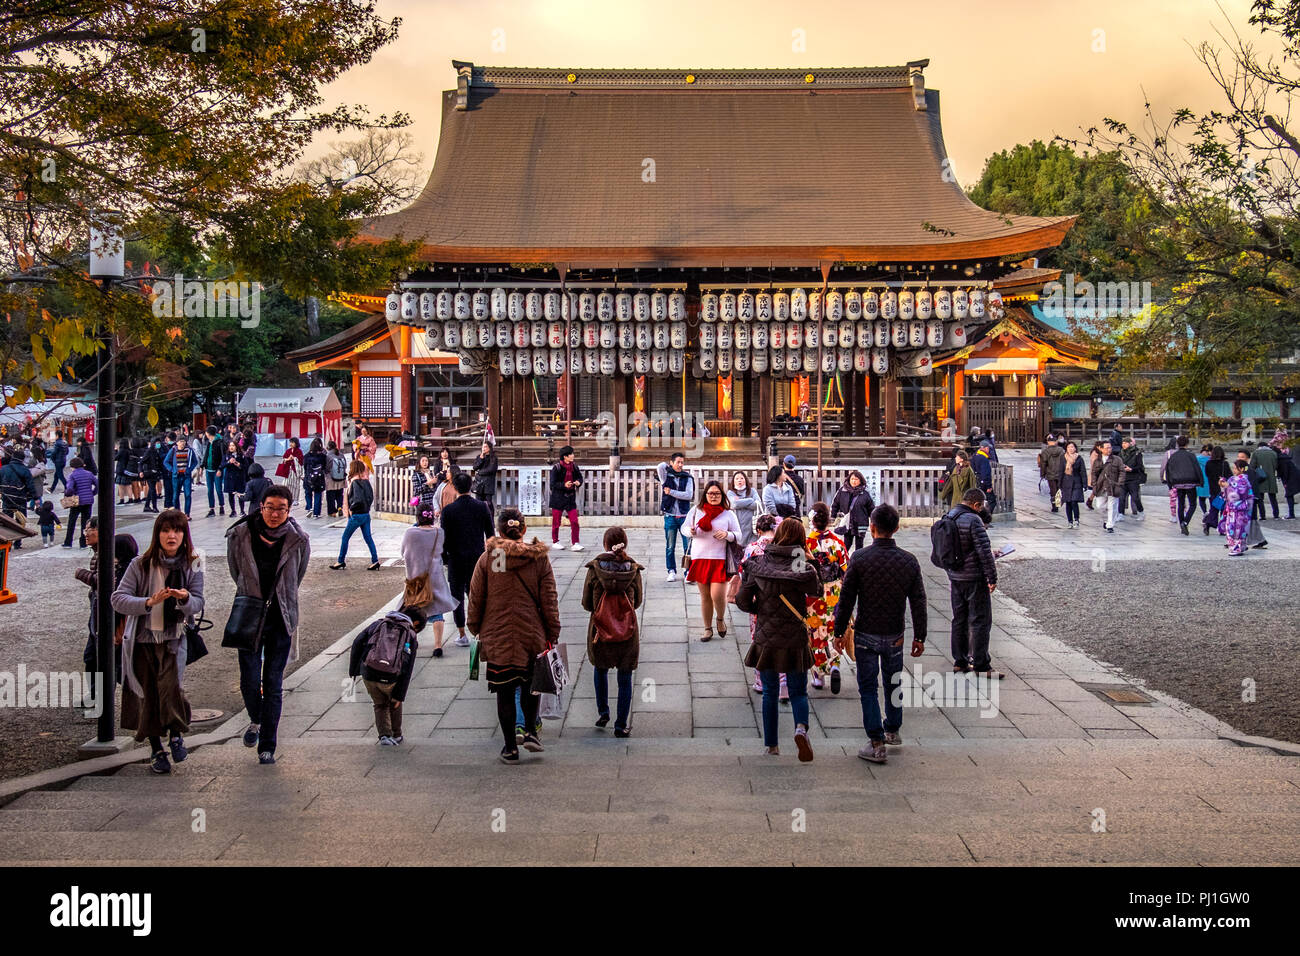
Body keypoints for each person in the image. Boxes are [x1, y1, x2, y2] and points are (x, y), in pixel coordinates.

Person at [111, 509, 204, 775]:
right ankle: (156, 749)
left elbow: (199, 601)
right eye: (165, 530)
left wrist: (185, 598)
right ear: (158, 534)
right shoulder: (140, 564)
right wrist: (149, 602)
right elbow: (118, 598)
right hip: (142, 639)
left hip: (174, 637)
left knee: (171, 687)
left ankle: (175, 734)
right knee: (148, 694)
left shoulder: (192, 564)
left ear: (184, 535)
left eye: (176, 530)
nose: (171, 535)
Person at [833, 503, 927, 764]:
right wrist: (920, 636)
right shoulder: (909, 561)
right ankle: (893, 729)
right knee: (893, 681)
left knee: (868, 687)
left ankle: (876, 742)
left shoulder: (860, 558)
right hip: (895, 632)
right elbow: (918, 600)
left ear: (871, 528)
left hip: (866, 632)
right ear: (896, 528)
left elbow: (847, 598)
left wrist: (839, 631)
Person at [467, 507, 561, 763]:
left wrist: (474, 626)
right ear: (524, 530)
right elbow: (549, 599)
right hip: (531, 634)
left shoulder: (489, 559)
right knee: (531, 686)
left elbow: (477, 596)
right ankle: (530, 731)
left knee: (504, 692)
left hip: (497, 636)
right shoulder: (538, 559)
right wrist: (553, 630)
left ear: (498, 530)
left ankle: (510, 747)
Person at [227, 484, 310, 764]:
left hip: (280, 618)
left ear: (289, 510)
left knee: (273, 681)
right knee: (249, 678)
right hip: (250, 615)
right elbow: (234, 570)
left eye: (281, 509)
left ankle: (267, 745)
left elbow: (297, 576)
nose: (275, 514)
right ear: (260, 507)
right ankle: (256, 717)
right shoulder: (240, 534)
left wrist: (282, 599)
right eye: (270, 508)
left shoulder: (298, 539)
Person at [735, 517, 821, 761]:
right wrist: (809, 557)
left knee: (770, 691)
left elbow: (742, 600)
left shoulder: (758, 562)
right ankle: (801, 729)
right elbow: (818, 590)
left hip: (766, 636)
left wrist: (760, 610)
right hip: (794, 637)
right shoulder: (802, 567)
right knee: (798, 692)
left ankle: (771, 745)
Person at [580, 526, 644, 738]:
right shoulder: (633, 568)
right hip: (627, 630)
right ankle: (621, 724)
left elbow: (587, 603)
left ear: (605, 544)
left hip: (600, 629)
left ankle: (603, 711)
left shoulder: (595, 568)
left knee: (600, 669)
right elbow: (638, 602)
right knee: (625, 677)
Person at [348, 605, 427, 745]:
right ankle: (396, 734)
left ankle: (384, 736)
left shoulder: (378, 623)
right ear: (416, 623)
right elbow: (407, 668)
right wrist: (399, 695)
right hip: (390, 677)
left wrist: (355, 670)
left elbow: (357, 642)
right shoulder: (410, 634)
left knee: (379, 704)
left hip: (369, 673)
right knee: (394, 703)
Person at [76, 522, 137, 702]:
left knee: (111, 663)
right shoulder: (102, 556)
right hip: (98, 615)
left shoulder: (124, 570)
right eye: (86, 529)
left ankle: (105, 699)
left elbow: (106, 584)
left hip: (109, 619)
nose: (86, 533)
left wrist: (81, 574)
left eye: (90, 529)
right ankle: (96, 695)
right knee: (91, 657)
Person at [944, 488, 1001, 678]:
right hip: (974, 578)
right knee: (980, 621)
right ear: (976, 504)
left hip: (955, 576)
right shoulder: (974, 520)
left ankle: (959, 661)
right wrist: (991, 578)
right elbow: (984, 552)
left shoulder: (950, 516)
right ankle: (981, 664)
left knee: (959, 619)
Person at [683, 478, 742, 642]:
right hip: (700, 558)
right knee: (705, 597)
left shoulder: (728, 513)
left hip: (719, 559)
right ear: (705, 495)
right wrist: (691, 531)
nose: (713, 496)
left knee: (717, 595)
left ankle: (720, 619)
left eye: (717, 493)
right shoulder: (696, 510)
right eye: (710, 493)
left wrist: (727, 535)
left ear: (722, 495)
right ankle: (707, 629)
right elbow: (684, 528)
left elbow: (739, 534)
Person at [440, 472, 495, 646]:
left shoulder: (448, 511)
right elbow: (490, 534)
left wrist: (445, 559)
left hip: (456, 557)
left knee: (456, 596)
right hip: (477, 556)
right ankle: (480, 630)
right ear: (471, 486)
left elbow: (444, 538)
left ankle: (462, 633)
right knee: (476, 594)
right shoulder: (482, 506)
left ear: (454, 487)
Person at [399, 507, 458, 657]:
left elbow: (403, 552)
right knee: (437, 612)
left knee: (411, 610)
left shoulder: (410, 533)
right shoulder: (439, 532)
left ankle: (411, 642)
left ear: (418, 517)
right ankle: (438, 645)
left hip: (415, 578)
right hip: (435, 578)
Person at [805, 502, 848, 693]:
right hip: (834, 591)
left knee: (816, 634)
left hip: (814, 593)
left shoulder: (806, 543)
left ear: (812, 519)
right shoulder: (838, 542)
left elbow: (799, 571)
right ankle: (836, 663)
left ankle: (819, 676)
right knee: (833, 629)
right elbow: (846, 569)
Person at [740, 514, 780, 696]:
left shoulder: (752, 549)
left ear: (758, 531)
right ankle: (783, 678)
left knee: (759, 637)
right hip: (780, 600)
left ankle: (760, 680)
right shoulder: (783, 547)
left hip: (759, 600)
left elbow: (744, 573)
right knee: (781, 637)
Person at [331, 459, 380, 571]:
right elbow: (370, 497)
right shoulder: (366, 481)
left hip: (357, 515)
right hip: (366, 514)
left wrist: (352, 509)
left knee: (345, 537)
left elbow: (357, 499)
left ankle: (340, 560)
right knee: (368, 538)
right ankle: (375, 560)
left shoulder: (355, 482)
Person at [658, 452, 695, 582]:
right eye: (678, 462)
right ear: (672, 463)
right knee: (670, 546)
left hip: (684, 516)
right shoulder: (665, 477)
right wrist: (668, 467)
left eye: (682, 462)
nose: (680, 465)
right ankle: (671, 570)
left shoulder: (688, 478)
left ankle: (688, 571)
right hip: (670, 516)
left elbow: (688, 495)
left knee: (688, 546)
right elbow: (660, 466)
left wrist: (671, 492)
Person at [1162, 435, 1204, 534]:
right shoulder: (1191, 455)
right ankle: (1185, 522)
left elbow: (1168, 470)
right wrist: (1200, 481)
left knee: (1181, 504)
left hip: (1178, 482)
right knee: (1192, 504)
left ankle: (1182, 524)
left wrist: (1170, 483)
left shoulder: (1173, 456)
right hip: (1190, 482)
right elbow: (1197, 468)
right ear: (1187, 444)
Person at [548, 444, 583, 550]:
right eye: (571, 454)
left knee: (574, 521)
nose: (573, 455)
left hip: (570, 497)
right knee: (556, 521)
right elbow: (552, 484)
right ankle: (555, 541)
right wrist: (564, 485)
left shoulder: (574, 467)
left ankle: (575, 542)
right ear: (565, 456)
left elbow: (580, 477)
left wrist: (578, 482)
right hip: (558, 498)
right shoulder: (556, 468)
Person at [1220, 459, 1256, 556]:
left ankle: (1237, 548)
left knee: (1238, 528)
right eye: (1234, 468)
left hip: (1240, 508)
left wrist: (1228, 486)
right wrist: (1224, 485)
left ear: (1242, 469)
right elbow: (1228, 492)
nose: (1234, 470)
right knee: (1231, 527)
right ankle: (1238, 546)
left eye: (1236, 468)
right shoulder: (1232, 479)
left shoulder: (1243, 480)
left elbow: (1241, 493)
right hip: (1232, 508)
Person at [830, 470, 873, 551]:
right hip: (848, 522)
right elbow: (835, 504)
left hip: (861, 523)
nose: (854, 481)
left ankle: (858, 561)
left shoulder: (865, 494)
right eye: (852, 479)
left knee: (859, 545)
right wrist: (833, 516)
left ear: (860, 481)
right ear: (849, 480)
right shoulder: (842, 491)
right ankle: (844, 560)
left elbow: (871, 508)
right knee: (847, 543)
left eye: (856, 479)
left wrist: (874, 520)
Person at [61, 456, 97, 548]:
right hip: (88, 501)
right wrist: (92, 493)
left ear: (73, 466)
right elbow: (97, 484)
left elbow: (69, 489)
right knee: (85, 523)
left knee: (72, 521)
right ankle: (83, 543)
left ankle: (68, 542)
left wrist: (67, 494)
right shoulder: (89, 474)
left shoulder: (72, 475)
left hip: (76, 501)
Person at [0, 450, 34, 546]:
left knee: (7, 520)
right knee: (20, 520)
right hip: (20, 498)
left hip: (7, 498)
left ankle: (7, 541)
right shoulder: (25, 470)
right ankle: (18, 542)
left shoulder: (3, 469)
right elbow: (30, 485)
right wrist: (33, 497)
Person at [1089, 440, 1124, 533]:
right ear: (1101, 449)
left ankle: (1110, 525)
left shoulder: (1117, 459)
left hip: (1113, 485)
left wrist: (1119, 483)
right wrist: (1094, 484)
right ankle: (1107, 520)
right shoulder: (1098, 461)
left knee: (1112, 505)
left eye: (1110, 447)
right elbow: (1094, 473)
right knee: (1100, 505)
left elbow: (1121, 471)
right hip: (1101, 486)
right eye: (1107, 448)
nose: (1109, 449)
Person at [1202, 446, 1232, 534]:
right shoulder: (1224, 464)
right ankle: (1222, 528)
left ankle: (1209, 523)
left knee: (1213, 508)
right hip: (1223, 489)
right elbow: (1229, 476)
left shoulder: (1208, 463)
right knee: (1224, 509)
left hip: (1213, 488)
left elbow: (1207, 474)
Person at [163, 435, 195, 515]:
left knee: (188, 494)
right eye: (180, 441)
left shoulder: (189, 450)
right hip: (176, 476)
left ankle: (187, 513)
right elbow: (166, 462)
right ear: (177, 443)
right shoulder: (173, 450)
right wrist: (172, 470)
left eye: (183, 441)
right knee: (175, 496)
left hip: (186, 476)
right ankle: (177, 513)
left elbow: (195, 461)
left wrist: (189, 469)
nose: (182, 443)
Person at [1249, 440, 1280, 521]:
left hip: (1261, 477)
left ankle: (1263, 516)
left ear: (1259, 446)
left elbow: (1252, 466)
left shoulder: (1256, 453)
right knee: (1273, 497)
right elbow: (1276, 466)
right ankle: (1276, 515)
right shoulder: (1273, 453)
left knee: (1260, 498)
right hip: (1272, 478)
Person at [727, 471, 759, 549]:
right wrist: (750, 500)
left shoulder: (752, 491)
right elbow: (734, 504)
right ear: (733, 481)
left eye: (742, 478)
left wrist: (740, 502)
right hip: (738, 524)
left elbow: (757, 504)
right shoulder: (730, 493)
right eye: (737, 478)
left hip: (751, 526)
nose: (739, 480)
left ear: (745, 480)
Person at [1060, 440, 1088, 529]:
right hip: (1066, 482)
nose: (1071, 449)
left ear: (1075, 448)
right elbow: (1060, 471)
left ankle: (1076, 519)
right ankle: (1069, 521)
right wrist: (1059, 484)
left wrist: (1085, 484)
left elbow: (1083, 471)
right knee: (1068, 502)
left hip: (1076, 482)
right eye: (1069, 447)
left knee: (1074, 501)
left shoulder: (1079, 458)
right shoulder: (1063, 458)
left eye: (1072, 447)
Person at [1118, 437, 1146, 519]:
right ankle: (1121, 514)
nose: (1124, 445)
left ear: (1130, 443)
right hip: (1123, 478)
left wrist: (1131, 469)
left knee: (1135, 497)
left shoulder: (1137, 453)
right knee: (1121, 497)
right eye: (1123, 443)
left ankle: (1141, 512)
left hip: (1133, 478)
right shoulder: (1120, 453)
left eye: (1125, 443)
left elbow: (1140, 466)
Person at [470, 441, 498, 519]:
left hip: (488, 483)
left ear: (489, 448)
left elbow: (491, 469)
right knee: (478, 502)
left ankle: (491, 520)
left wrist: (480, 472)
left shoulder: (493, 458)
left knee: (489, 502)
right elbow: (475, 467)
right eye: (483, 447)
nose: (484, 448)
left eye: (485, 447)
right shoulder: (479, 456)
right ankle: (479, 519)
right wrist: (481, 459)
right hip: (479, 483)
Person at [275, 437, 304, 510]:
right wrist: (288, 459)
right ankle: (287, 497)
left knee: (295, 485)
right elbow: (284, 458)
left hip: (295, 471)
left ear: (296, 443)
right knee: (286, 484)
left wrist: (294, 458)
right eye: (290, 442)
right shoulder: (288, 451)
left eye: (292, 442)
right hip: (288, 470)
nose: (291, 444)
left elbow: (301, 460)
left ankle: (295, 499)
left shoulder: (299, 451)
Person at [302, 438, 328, 519]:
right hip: (319, 478)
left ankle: (310, 508)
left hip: (308, 477)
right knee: (318, 494)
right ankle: (316, 513)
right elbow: (324, 467)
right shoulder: (322, 456)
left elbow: (305, 467)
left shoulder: (306, 456)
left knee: (308, 493)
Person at [203, 426, 225, 517]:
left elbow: (223, 457)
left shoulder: (220, 442)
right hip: (208, 469)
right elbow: (207, 454)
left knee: (219, 489)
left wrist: (220, 468)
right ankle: (211, 508)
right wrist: (202, 465)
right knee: (210, 490)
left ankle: (221, 506)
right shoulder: (209, 442)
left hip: (217, 470)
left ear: (208, 433)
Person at [1039, 435, 1065, 513]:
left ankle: (1054, 505)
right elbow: (1064, 461)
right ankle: (1058, 502)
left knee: (1052, 489)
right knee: (1058, 488)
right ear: (1056, 442)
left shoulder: (1045, 451)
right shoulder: (1061, 450)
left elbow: (1043, 464)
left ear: (1048, 442)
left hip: (1050, 472)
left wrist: (1042, 473)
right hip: (1060, 472)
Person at [411, 454, 441, 518]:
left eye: (426, 461)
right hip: (422, 502)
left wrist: (435, 482)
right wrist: (428, 483)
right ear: (419, 463)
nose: (425, 463)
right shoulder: (416, 475)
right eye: (423, 461)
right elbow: (417, 489)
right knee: (423, 521)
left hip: (432, 501)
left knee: (431, 521)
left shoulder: (430, 473)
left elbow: (434, 488)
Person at [222, 440, 247, 516]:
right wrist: (228, 462)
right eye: (230, 446)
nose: (231, 447)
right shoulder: (226, 455)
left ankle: (242, 510)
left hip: (239, 478)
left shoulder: (241, 455)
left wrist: (239, 464)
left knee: (240, 494)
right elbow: (222, 465)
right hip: (230, 478)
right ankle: (233, 510)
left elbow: (246, 466)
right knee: (231, 495)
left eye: (233, 446)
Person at [324, 440, 348, 517]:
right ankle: (340, 507)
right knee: (339, 494)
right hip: (341, 478)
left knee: (330, 496)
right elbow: (345, 466)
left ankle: (331, 511)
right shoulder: (341, 454)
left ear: (328, 447)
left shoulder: (328, 456)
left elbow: (327, 467)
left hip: (331, 479)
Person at [141, 436, 164, 513]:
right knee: (153, 489)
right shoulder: (149, 451)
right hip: (149, 473)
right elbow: (141, 462)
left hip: (155, 473)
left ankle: (147, 506)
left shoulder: (157, 451)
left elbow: (159, 462)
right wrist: (141, 471)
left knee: (151, 489)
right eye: (157, 443)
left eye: (159, 443)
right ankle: (154, 507)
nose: (158, 444)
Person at [971, 440, 995, 508]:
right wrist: (988, 486)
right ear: (983, 448)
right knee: (991, 501)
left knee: (978, 500)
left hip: (977, 481)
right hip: (983, 483)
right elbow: (985, 473)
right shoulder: (984, 458)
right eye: (987, 448)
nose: (988, 449)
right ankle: (985, 516)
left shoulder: (975, 456)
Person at [114, 437, 134, 505]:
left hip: (121, 470)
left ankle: (122, 499)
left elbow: (115, 458)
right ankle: (130, 498)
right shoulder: (129, 451)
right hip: (128, 470)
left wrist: (115, 450)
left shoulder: (121, 450)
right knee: (128, 485)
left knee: (121, 486)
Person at [1196, 443, 1213, 516]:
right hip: (1210, 482)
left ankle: (1205, 512)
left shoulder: (1197, 459)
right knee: (1211, 499)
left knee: (1201, 499)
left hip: (1201, 481)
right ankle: (1211, 512)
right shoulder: (1212, 460)